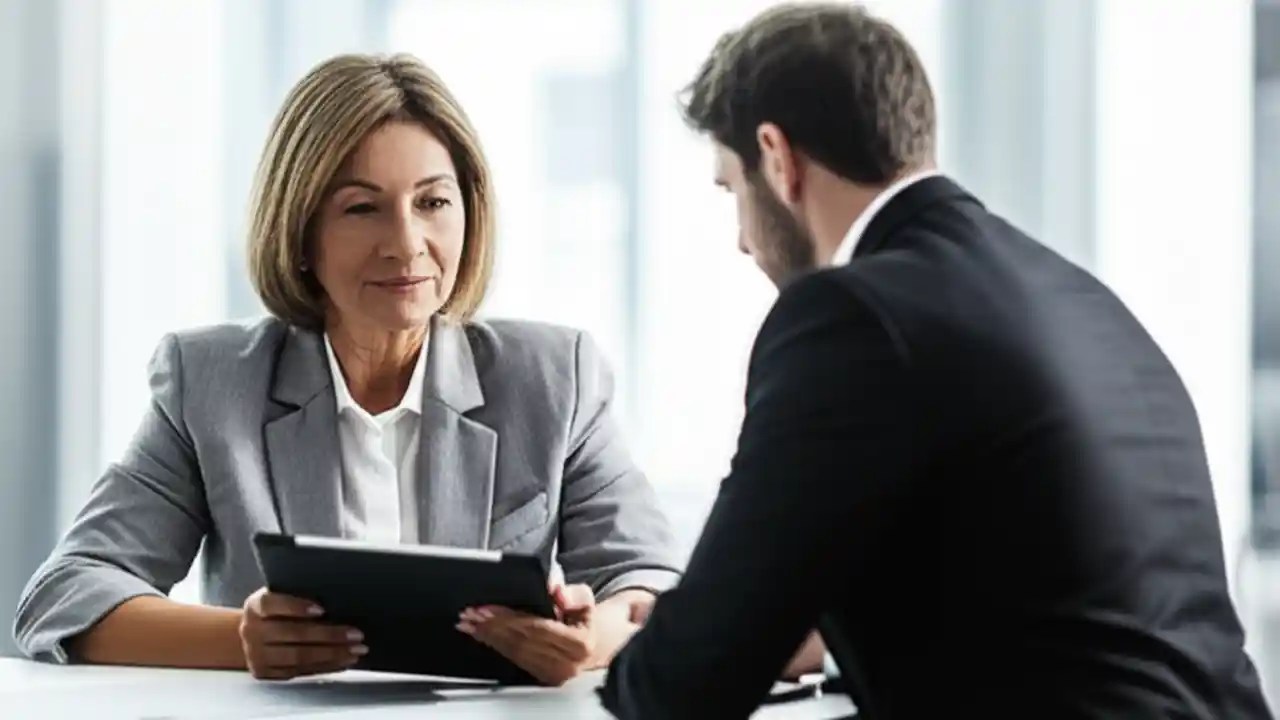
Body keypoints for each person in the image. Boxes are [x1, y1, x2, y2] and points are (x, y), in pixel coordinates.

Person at [600, 4, 1273, 718]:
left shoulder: (850, 317)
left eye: (731, 189)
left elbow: (686, 683)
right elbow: (1050, 606)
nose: (741, 239)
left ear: (777, 156)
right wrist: (823, 632)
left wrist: (624, 652)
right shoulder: (1077, 298)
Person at [13, 53, 680, 686]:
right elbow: (66, 596)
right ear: (301, 234)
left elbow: (653, 585)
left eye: (433, 202)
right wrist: (240, 642)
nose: (407, 244)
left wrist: (595, 642)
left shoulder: (553, 378)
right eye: (362, 208)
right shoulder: (212, 384)